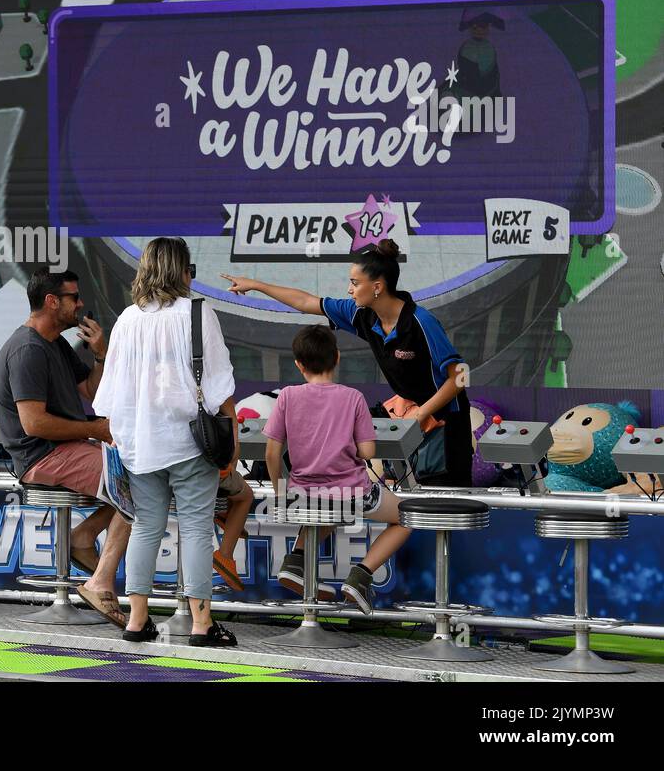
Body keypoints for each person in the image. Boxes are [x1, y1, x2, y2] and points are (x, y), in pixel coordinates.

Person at [223, 238, 473, 487]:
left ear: (377, 287)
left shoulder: (421, 322)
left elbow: (462, 375)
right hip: (409, 415)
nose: (349, 290)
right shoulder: (361, 314)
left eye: (355, 283)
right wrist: (256, 285)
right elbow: (306, 302)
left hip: (446, 424)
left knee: (441, 499)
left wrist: (422, 412)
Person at [93, 238, 239, 646]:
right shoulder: (197, 313)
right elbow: (218, 382)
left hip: (141, 443)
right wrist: (233, 435)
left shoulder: (126, 319)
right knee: (194, 528)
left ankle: (137, 620)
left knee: (144, 527)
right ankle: (200, 625)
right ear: (182, 269)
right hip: (191, 441)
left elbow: (110, 392)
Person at [0, 267, 131, 627]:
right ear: (52, 302)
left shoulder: (54, 344)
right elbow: (34, 424)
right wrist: (96, 430)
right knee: (138, 482)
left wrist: (100, 354)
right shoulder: (27, 350)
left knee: (141, 476)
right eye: (74, 297)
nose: (81, 304)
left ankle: (83, 536)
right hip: (43, 456)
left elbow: (91, 392)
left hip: (65, 447)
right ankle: (100, 583)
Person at [263, 325, 410, 613]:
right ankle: (361, 575)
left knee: (325, 504)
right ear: (338, 357)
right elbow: (367, 452)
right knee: (405, 517)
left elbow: (271, 452)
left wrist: (279, 489)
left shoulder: (287, 397)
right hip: (349, 493)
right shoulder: (352, 397)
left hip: (303, 493)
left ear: (298, 364)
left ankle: (297, 561)